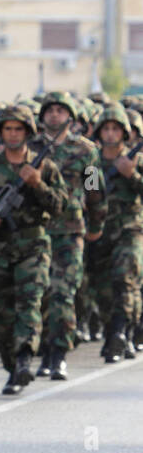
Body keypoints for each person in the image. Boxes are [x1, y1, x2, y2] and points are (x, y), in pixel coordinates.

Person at [0, 105, 67, 393]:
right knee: (3, 312)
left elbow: (59, 206)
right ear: (0, 133)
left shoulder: (45, 167)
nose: (13, 134)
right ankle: (12, 366)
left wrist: (37, 184)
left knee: (29, 303)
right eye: (8, 129)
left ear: (27, 133)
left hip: (33, 244)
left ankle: (26, 358)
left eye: (18, 129)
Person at [32, 92, 97, 379]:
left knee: (63, 293)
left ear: (70, 116)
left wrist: (96, 226)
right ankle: (43, 349)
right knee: (41, 294)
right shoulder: (30, 147)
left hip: (71, 232)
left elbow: (94, 190)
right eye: (50, 110)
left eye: (60, 110)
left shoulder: (86, 151)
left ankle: (57, 354)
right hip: (36, 233)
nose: (54, 115)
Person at [84, 103, 143, 363]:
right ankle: (114, 333)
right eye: (106, 129)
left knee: (125, 279)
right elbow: (87, 194)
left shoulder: (137, 160)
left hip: (130, 229)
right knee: (103, 288)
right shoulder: (92, 161)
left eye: (115, 129)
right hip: (99, 231)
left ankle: (122, 331)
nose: (110, 134)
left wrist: (132, 175)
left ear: (125, 133)